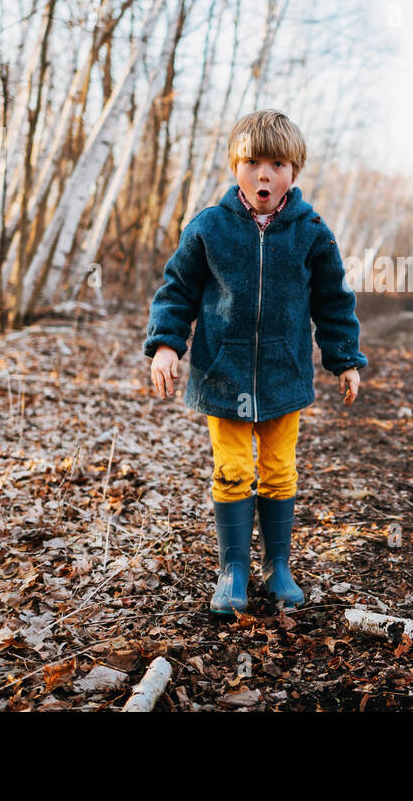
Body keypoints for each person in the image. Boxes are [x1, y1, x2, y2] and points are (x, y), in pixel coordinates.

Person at [144, 109, 366, 615]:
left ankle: (278, 566)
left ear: (295, 170)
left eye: (277, 164)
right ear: (234, 166)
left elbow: (334, 299)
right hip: (222, 371)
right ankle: (233, 570)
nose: (263, 174)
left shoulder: (311, 231)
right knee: (232, 469)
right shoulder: (209, 227)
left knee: (278, 470)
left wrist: (345, 359)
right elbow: (176, 291)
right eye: (252, 162)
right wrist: (165, 344)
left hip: (284, 372)